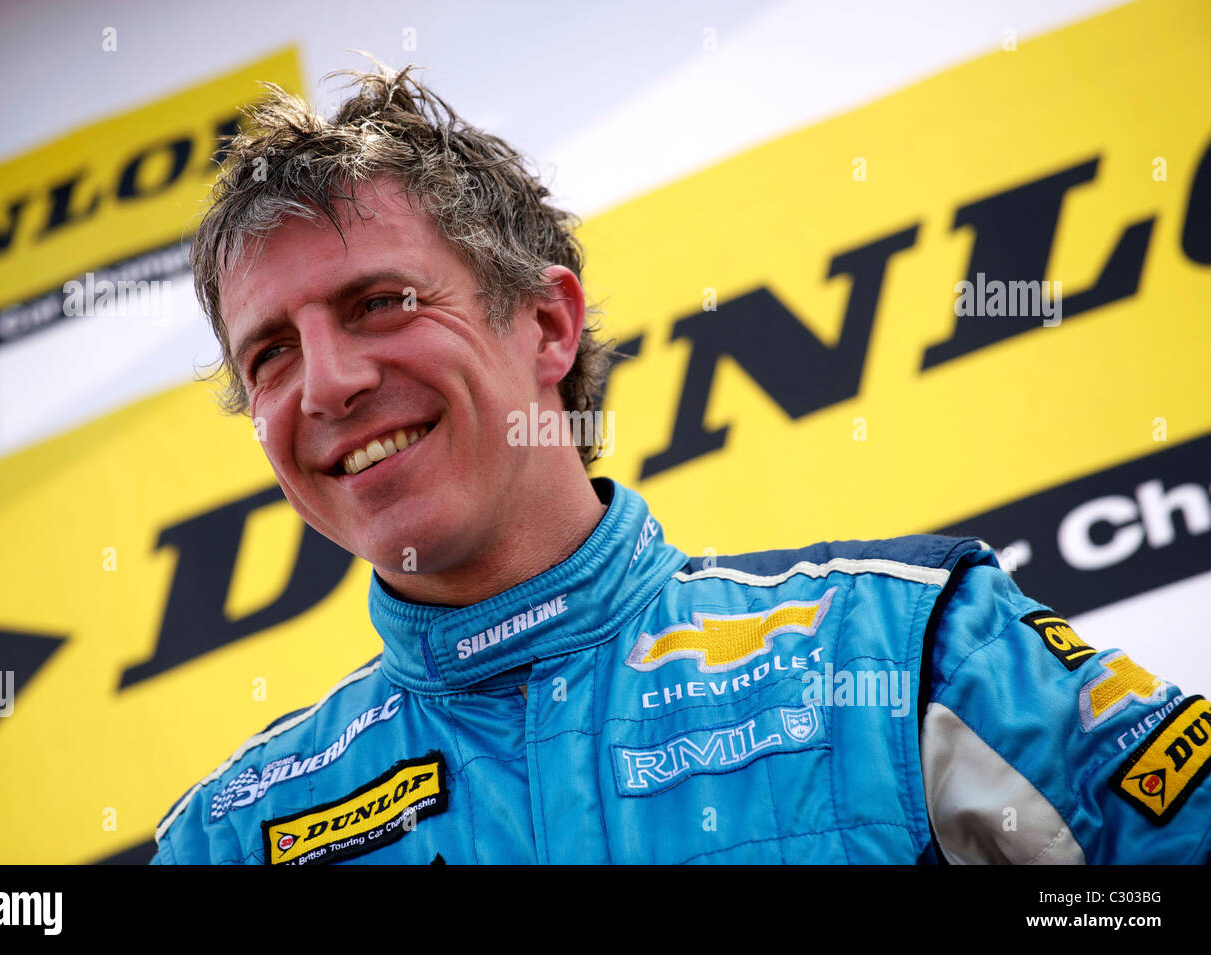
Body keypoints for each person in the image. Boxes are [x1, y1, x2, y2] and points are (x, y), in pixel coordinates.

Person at [151, 64, 1209, 865]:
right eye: (271, 354)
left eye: (378, 302)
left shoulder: (901, 648)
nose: (327, 384)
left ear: (547, 323)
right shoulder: (235, 836)